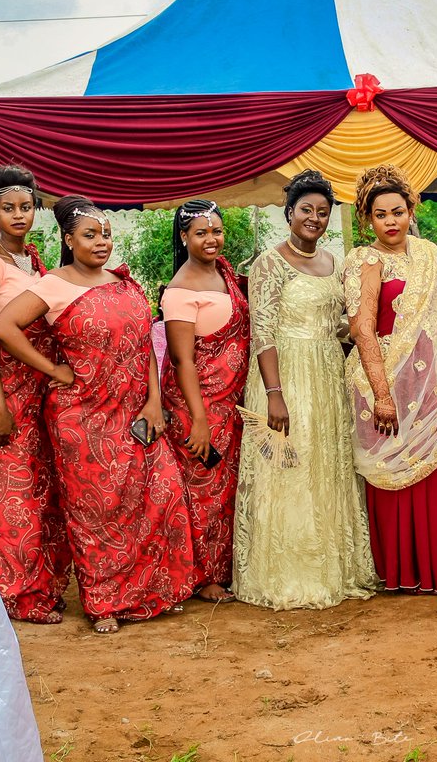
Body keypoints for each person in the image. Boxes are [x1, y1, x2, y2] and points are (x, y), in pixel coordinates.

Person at [0, 196, 196, 633]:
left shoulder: (125, 283)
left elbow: (145, 346)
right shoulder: (53, 285)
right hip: (82, 416)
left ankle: (150, 591)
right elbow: (2, 326)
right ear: (68, 240)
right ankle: (102, 600)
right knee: (97, 511)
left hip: (135, 412)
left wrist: (154, 401)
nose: (102, 242)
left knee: (161, 493)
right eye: (90, 235)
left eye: (106, 234)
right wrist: (52, 369)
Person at [231, 170, 377, 610]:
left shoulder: (335, 261)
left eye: (322, 212)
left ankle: (335, 567)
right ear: (289, 212)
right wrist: (274, 393)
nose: (314, 218)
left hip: (327, 375)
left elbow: (341, 324)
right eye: (306, 210)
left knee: (325, 465)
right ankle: (288, 573)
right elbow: (262, 331)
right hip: (285, 375)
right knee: (289, 469)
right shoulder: (268, 264)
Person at [344, 164, 437, 593]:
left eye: (398, 211)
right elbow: (362, 329)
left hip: (433, 384)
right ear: (367, 220)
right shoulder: (364, 260)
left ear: (411, 210)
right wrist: (383, 394)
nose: (391, 222)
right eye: (380, 214)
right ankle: (405, 570)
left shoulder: (430, 254)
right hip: (385, 382)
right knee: (396, 468)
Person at [0, 166, 70, 623]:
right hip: (8, 388)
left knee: (42, 489)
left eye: (26, 207)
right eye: (8, 207)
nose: (18, 215)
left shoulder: (32, 258)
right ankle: (18, 595)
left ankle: (45, 585)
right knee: (15, 494)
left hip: (40, 391)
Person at [161, 200, 252, 604]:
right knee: (202, 489)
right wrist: (198, 419)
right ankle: (202, 575)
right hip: (198, 405)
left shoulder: (224, 273)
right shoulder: (181, 290)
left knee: (225, 489)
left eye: (216, 230)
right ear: (184, 238)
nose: (211, 239)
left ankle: (224, 566)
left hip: (230, 402)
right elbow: (182, 360)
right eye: (201, 232)